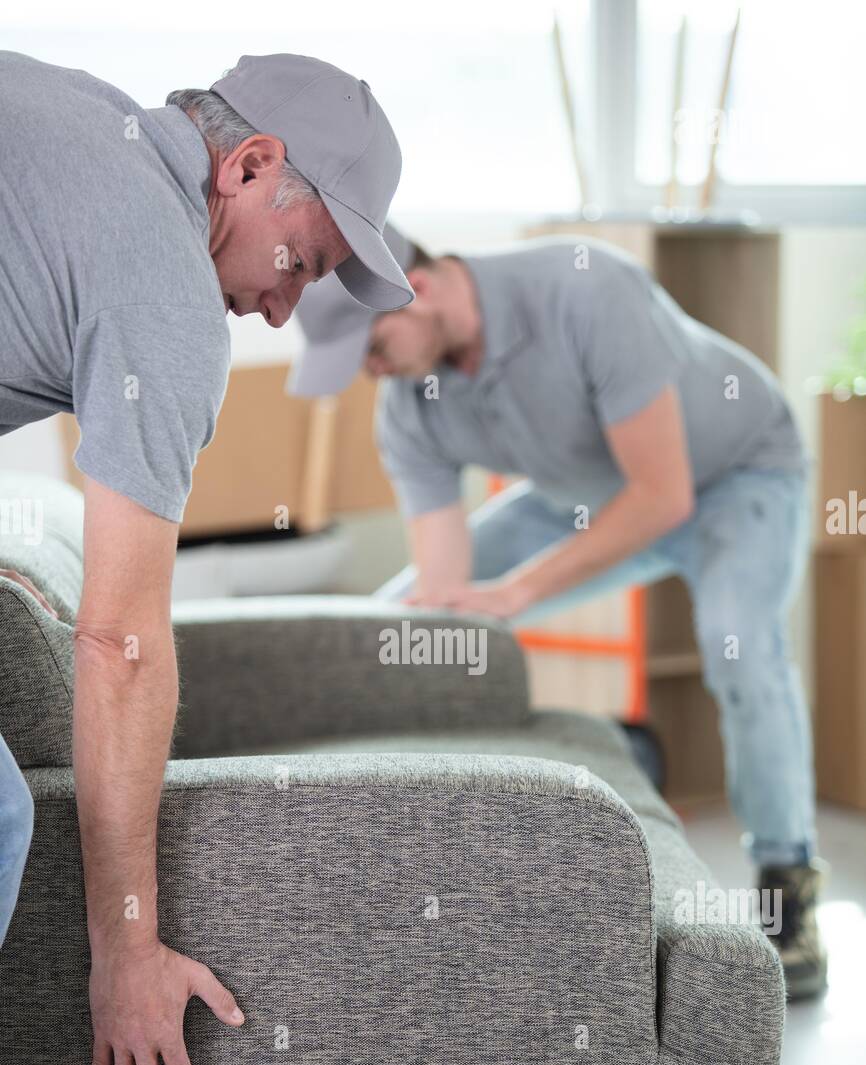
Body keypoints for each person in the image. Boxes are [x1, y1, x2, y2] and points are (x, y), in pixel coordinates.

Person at [0, 49, 412, 1065]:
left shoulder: (78, 117)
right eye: (305, 261)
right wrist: (126, 950)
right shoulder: (167, 283)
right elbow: (119, 647)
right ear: (250, 165)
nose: (282, 312)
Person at [290, 228, 827, 1001]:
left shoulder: (586, 289)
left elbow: (663, 494)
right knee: (397, 626)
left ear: (422, 288)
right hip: (583, 503)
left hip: (734, 477)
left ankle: (789, 882)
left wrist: (521, 591)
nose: (372, 373)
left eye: (372, 346)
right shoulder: (411, 407)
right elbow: (443, 594)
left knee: (737, 644)